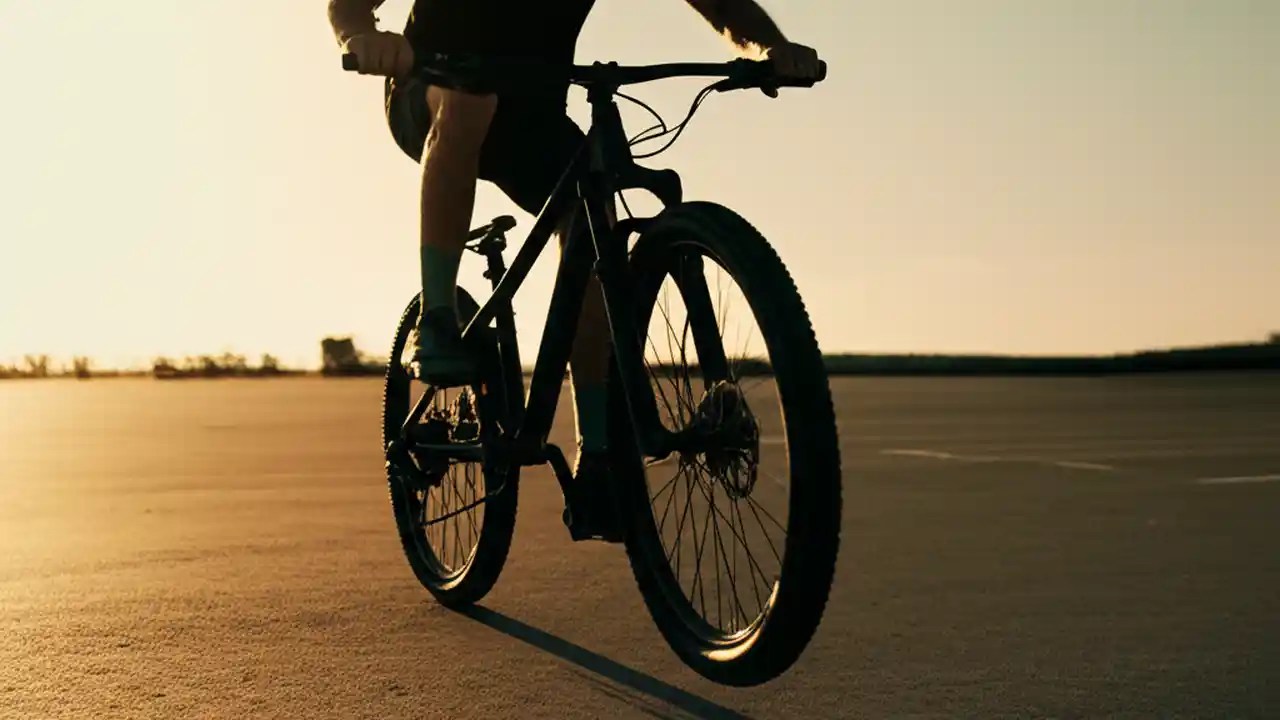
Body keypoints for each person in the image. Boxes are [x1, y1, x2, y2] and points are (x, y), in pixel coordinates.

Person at [327, 0, 821, 472]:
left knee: (593, 208)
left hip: (530, 115)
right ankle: (436, 320)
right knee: (468, 100)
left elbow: (723, 7)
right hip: (429, 88)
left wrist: (771, 48)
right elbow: (346, 5)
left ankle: (599, 449)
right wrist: (362, 37)